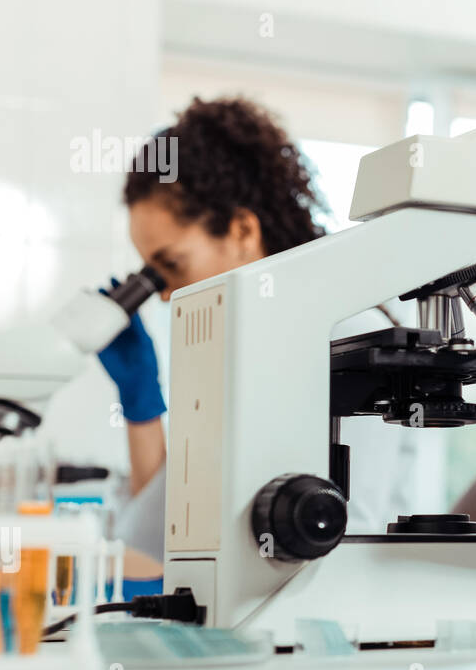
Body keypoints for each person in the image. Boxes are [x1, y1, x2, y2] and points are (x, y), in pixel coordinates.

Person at [100, 96, 417, 573]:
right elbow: (157, 532)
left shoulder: (347, 335)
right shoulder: (238, 348)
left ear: (242, 230)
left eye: (171, 265)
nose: (163, 296)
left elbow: (343, 537)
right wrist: (142, 406)